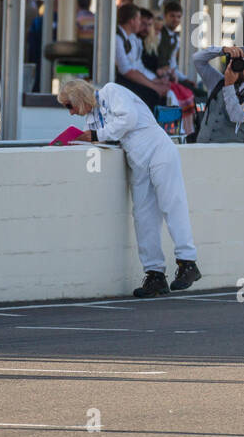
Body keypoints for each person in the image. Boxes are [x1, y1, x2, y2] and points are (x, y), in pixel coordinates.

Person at [58, 78, 202, 297]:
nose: (70, 112)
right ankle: (155, 274)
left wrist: (96, 136)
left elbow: (129, 118)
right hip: (137, 161)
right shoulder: (90, 119)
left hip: (158, 149)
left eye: (69, 105)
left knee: (172, 204)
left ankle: (188, 262)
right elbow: (98, 138)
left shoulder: (111, 92)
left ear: (79, 97)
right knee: (143, 217)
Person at [191, 45, 244, 142]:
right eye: (234, 60)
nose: (237, 64)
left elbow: (237, 116)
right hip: (202, 147)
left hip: (230, 150)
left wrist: (229, 86)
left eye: (242, 61)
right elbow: (197, 59)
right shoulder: (217, 82)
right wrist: (222, 50)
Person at [115, 2, 169, 110]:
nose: (140, 24)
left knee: (157, 94)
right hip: (117, 83)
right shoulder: (118, 38)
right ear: (132, 21)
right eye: (139, 20)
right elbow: (126, 70)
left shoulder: (128, 38)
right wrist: (154, 86)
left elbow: (135, 68)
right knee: (152, 95)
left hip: (125, 80)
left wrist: (154, 82)